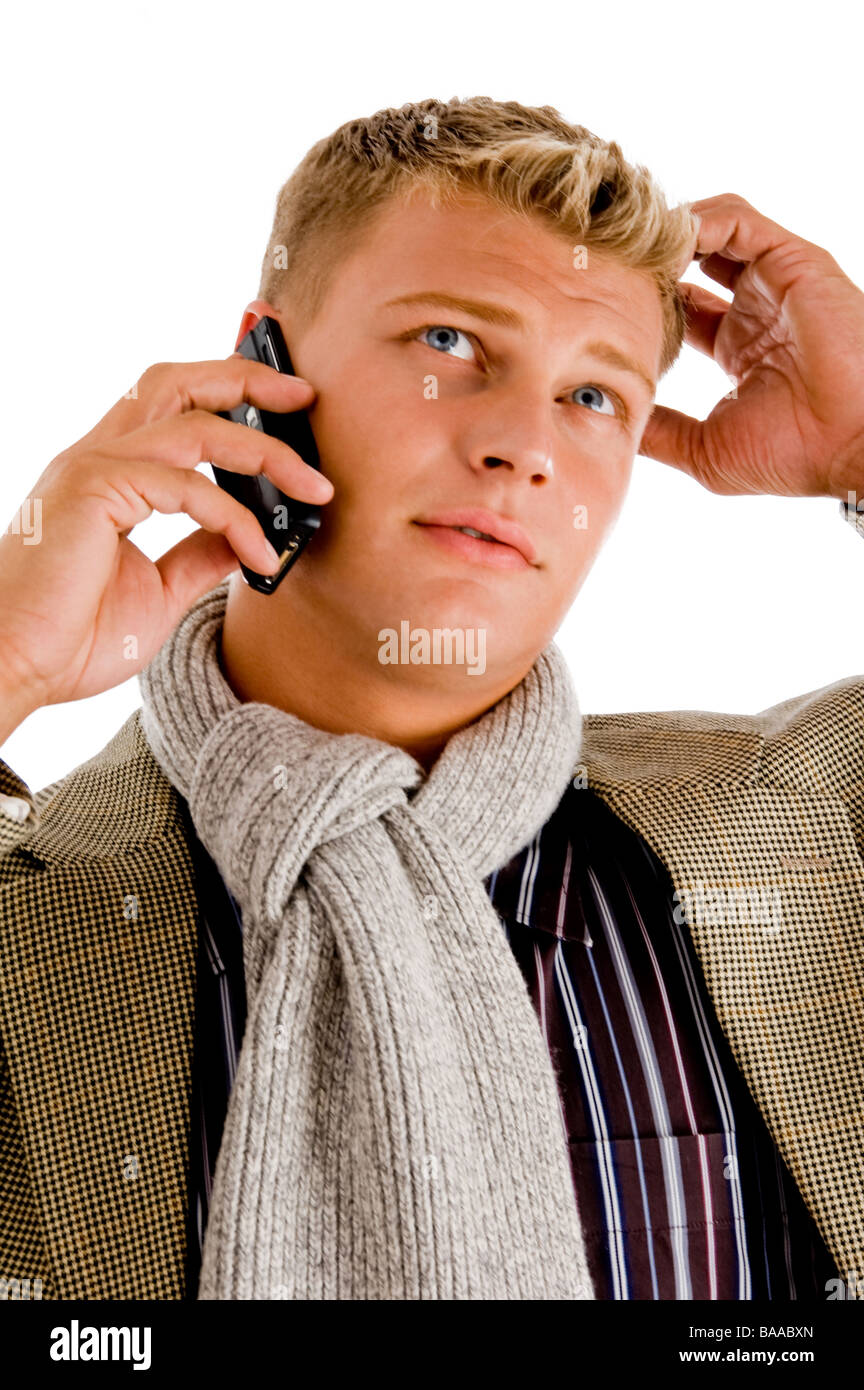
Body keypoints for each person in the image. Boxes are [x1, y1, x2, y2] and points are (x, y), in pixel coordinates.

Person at [0, 96, 862, 1303]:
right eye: (451, 344)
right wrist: (10, 658)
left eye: (595, 394)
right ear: (263, 365)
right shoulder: (28, 910)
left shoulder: (812, 830)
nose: (526, 445)